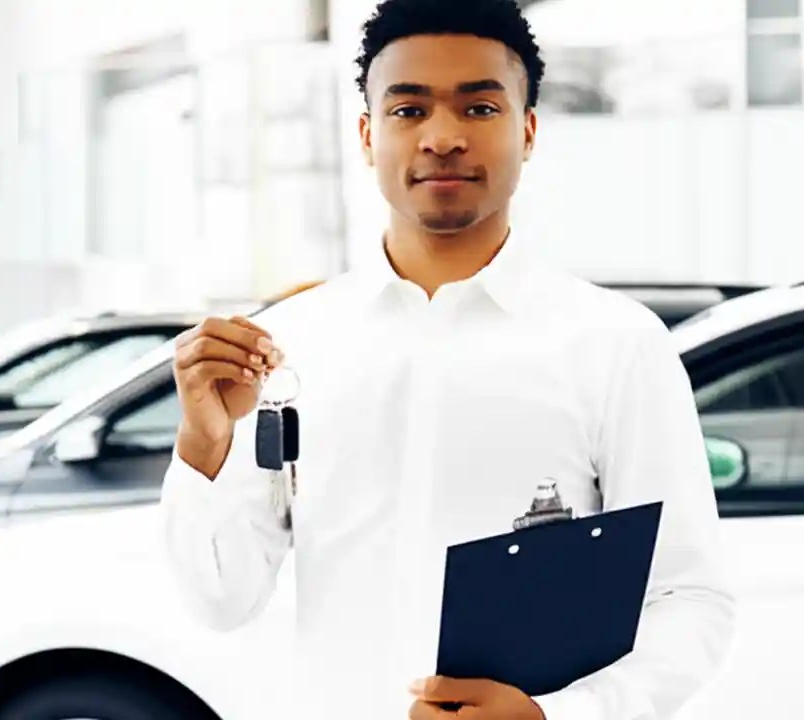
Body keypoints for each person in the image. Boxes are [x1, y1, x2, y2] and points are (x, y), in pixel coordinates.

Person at [158, 0, 736, 718]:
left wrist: (559, 717)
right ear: (368, 137)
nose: (441, 138)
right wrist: (204, 447)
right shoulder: (291, 345)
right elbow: (220, 601)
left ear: (527, 132)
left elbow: (690, 600)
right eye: (407, 111)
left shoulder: (614, 344)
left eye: (479, 108)